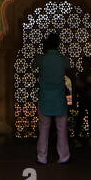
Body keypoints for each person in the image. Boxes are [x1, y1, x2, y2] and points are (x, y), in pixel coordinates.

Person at [36, 31, 70, 165]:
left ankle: (42, 157)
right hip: (59, 98)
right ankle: (64, 157)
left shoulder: (41, 59)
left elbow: (35, 65)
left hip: (45, 98)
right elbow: (68, 70)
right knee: (61, 128)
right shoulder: (62, 59)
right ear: (58, 45)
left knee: (44, 128)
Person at [68, 58, 91, 146]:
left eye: (87, 64)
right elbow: (78, 88)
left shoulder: (90, 75)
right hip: (83, 100)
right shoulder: (81, 75)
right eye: (85, 64)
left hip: (89, 100)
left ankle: (88, 138)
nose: (86, 66)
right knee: (81, 119)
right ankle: (77, 138)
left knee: (90, 119)